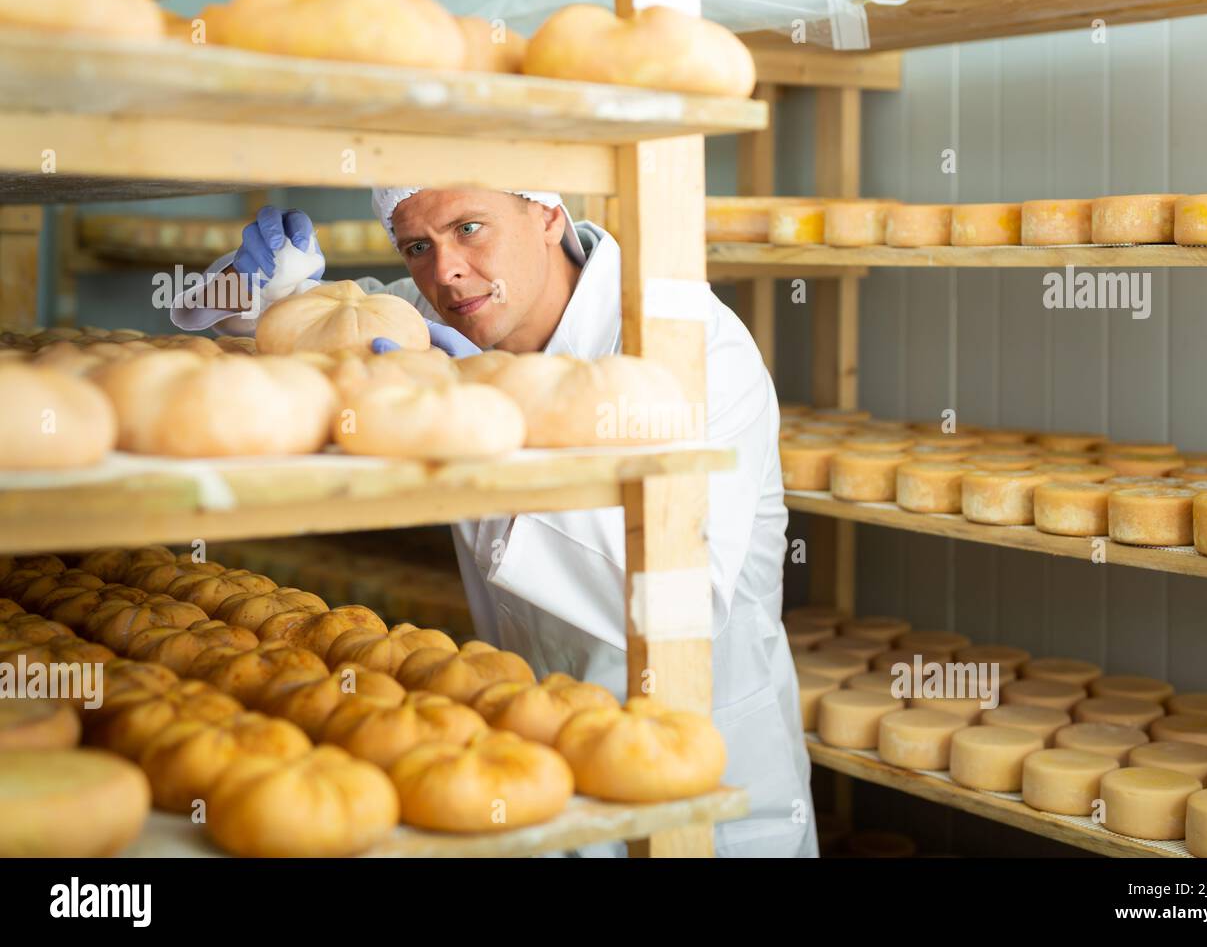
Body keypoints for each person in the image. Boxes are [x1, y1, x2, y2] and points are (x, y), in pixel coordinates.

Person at [171, 190, 817, 857]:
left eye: (469, 228)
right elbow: (306, 322)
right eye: (416, 246)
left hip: (702, 770)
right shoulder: (447, 312)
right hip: (522, 759)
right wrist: (258, 290)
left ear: (546, 214)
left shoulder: (689, 345)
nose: (444, 270)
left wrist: (487, 435)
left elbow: (684, 596)